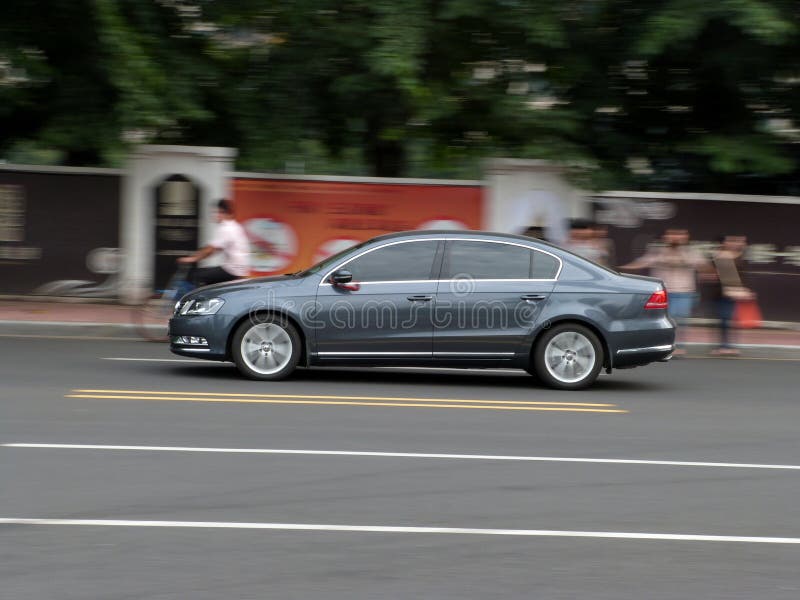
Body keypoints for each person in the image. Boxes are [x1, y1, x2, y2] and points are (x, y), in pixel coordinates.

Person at [619, 228, 712, 354]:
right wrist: (622, 270)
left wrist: (693, 264)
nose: (675, 237)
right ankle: (663, 344)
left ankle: (678, 346)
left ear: (686, 236)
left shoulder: (692, 252)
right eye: (672, 234)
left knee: (681, 320)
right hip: (663, 291)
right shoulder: (657, 251)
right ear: (665, 236)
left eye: (680, 234)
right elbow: (642, 263)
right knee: (664, 319)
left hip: (685, 292)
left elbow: (704, 266)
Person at [177, 198, 251, 286]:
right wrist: (201, 254)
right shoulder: (235, 226)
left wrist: (193, 259)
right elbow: (214, 249)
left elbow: (210, 250)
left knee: (195, 275)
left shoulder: (226, 228)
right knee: (209, 278)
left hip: (232, 270)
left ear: (222, 212)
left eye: (215, 212)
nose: (214, 215)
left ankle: (194, 299)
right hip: (240, 269)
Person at [710, 235, 751, 356]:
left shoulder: (742, 258)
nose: (736, 244)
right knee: (724, 320)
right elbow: (717, 276)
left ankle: (731, 346)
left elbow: (743, 277)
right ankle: (724, 346)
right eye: (732, 241)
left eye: (739, 241)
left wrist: (744, 290)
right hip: (721, 294)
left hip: (738, 295)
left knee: (733, 321)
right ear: (724, 243)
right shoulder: (719, 256)